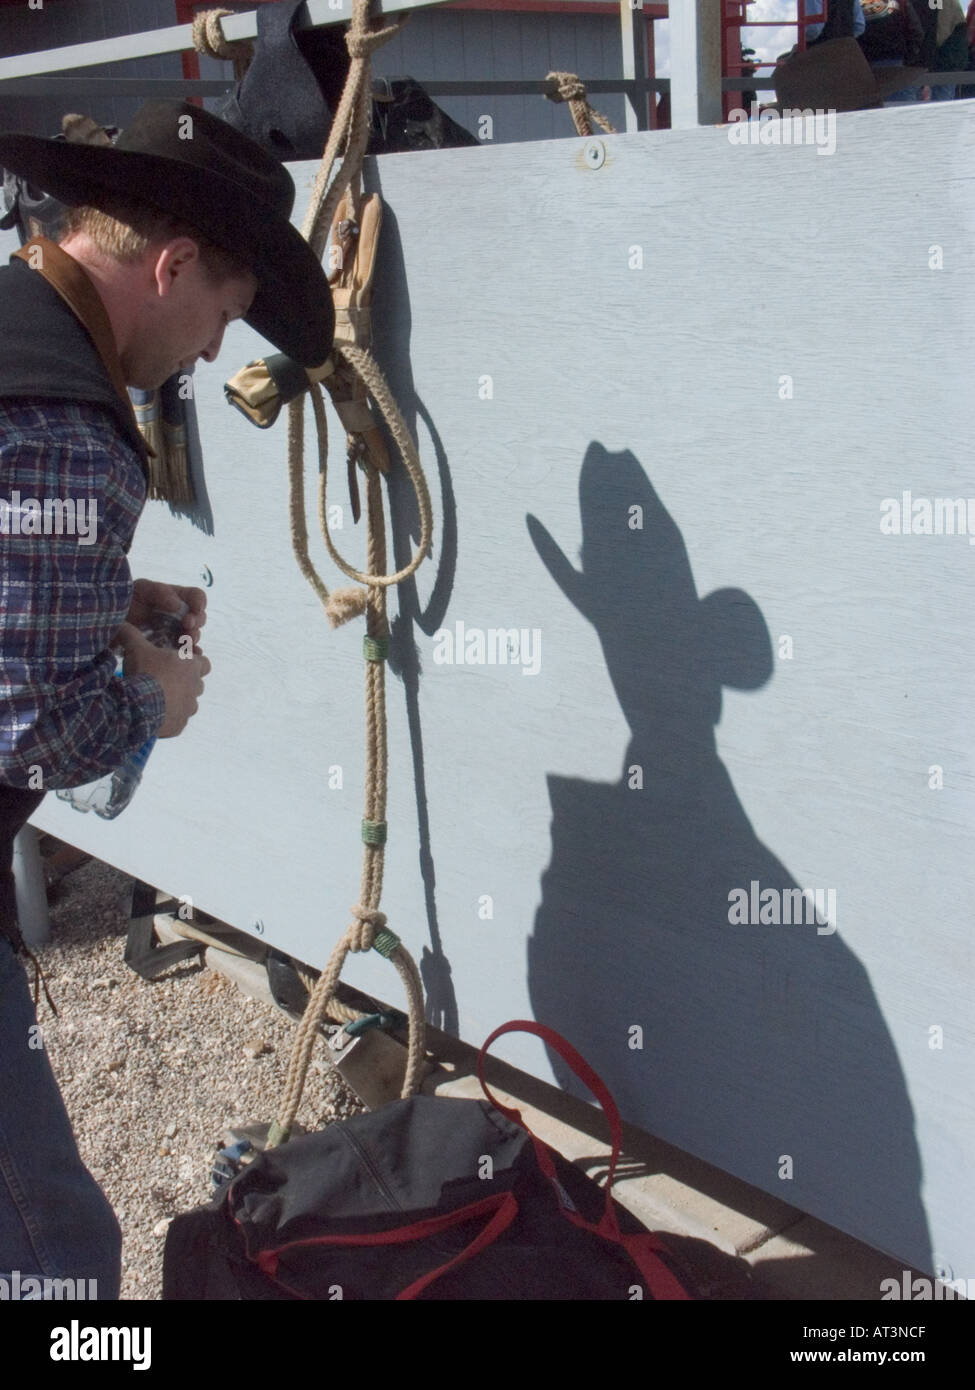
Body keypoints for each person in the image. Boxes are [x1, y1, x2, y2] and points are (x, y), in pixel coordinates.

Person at [0, 100, 333, 1299]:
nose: (207, 354)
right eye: (221, 318)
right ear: (173, 262)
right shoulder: (62, 428)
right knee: (50, 1254)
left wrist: (91, 585)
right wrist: (153, 694)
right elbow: (45, 728)